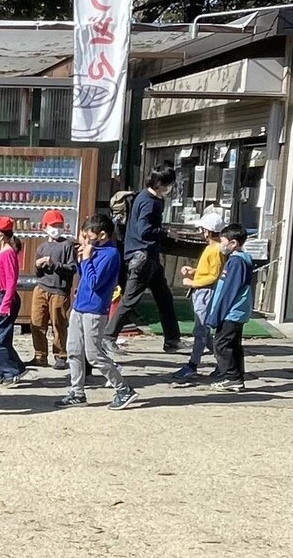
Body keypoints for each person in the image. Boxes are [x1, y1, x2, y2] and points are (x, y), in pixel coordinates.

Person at [59, 213, 138, 410]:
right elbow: (84, 277)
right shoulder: (93, 250)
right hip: (79, 306)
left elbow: (95, 282)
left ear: (102, 235)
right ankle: (77, 391)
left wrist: (86, 259)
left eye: (88, 236)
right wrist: (81, 260)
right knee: (73, 350)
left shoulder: (110, 254)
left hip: (94, 310)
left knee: (93, 353)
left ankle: (123, 388)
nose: (85, 240)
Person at [104, 165, 180, 351]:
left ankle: (172, 339)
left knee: (164, 298)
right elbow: (144, 230)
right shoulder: (149, 202)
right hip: (143, 256)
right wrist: (165, 232)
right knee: (130, 299)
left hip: (149, 256)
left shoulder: (147, 197)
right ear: (161, 183)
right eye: (169, 184)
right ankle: (108, 336)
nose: (170, 188)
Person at [172, 208, 225, 385]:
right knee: (203, 331)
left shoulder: (215, 249)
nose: (201, 232)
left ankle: (193, 365)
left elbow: (214, 275)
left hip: (206, 292)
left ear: (208, 231)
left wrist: (193, 282)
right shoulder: (212, 248)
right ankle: (223, 362)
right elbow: (208, 271)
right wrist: (195, 272)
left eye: (203, 229)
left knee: (201, 331)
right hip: (202, 291)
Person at [206, 224, 255, 394]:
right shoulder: (237, 260)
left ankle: (232, 377)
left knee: (221, 344)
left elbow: (228, 292)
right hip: (236, 311)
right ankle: (236, 379)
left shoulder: (236, 262)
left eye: (223, 241)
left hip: (232, 312)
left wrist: (215, 316)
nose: (221, 244)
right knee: (233, 345)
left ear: (233, 243)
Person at [29, 209, 76, 370]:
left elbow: (72, 268)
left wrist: (54, 264)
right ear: (45, 227)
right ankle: (40, 355)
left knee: (59, 323)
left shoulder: (67, 246)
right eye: (54, 225)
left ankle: (61, 355)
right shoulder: (42, 247)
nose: (57, 228)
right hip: (41, 288)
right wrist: (37, 265)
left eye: (60, 225)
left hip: (59, 290)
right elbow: (37, 272)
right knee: (36, 322)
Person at [0, 216, 26, 385]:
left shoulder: (8, 253)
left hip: (5, 297)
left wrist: (6, 303)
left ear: (0, 234)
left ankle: (12, 370)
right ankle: (0, 370)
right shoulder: (3, 252)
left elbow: (11, 280)